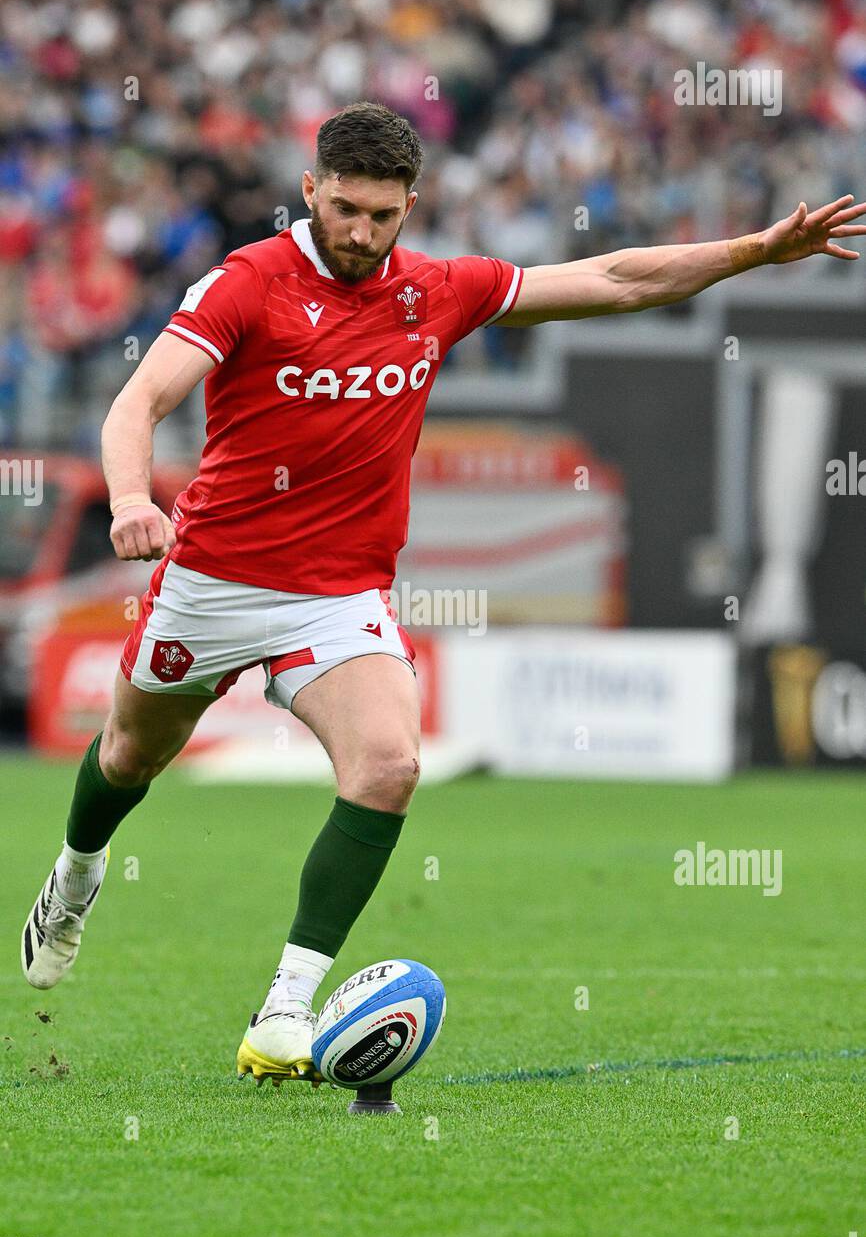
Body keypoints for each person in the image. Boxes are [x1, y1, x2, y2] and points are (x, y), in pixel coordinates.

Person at [21, 100, 866, 1086]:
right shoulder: (246, 284)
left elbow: (609, 274)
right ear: (309, 191)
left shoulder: (435, 290)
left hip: (337, 595)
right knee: (127, 755)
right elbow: (140, 400)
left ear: (409, 206)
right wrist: (130, 498)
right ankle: (76, 875)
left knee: (387, 765)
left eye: (383, 215)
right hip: (212, 578)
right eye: (344, 209)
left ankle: (286, 1005)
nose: (361, 232)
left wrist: (751, 252)